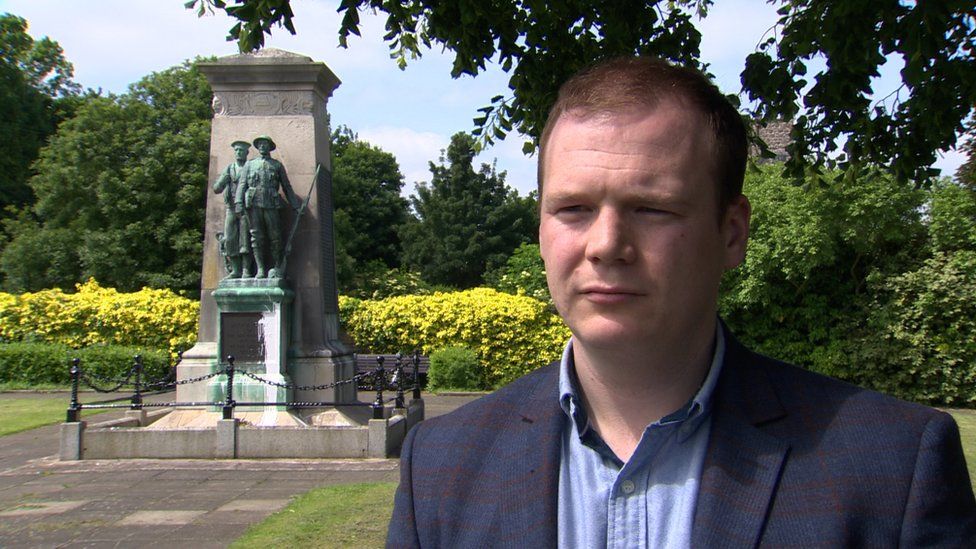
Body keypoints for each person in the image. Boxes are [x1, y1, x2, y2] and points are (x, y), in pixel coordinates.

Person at [386, 57, 976, 547]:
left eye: (653, 209)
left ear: (732, 233)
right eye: (573, 209)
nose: (606, 245)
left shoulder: (895, 470)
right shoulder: (439, 468)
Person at [235, 135, 300, 278]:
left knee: (275, 236)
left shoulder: (276, 165)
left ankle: (277, 266)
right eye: (260, 144)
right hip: (253, 203)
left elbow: (287, 187)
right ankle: (260, 269)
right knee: (255, 237)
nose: (262, 146)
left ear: (270, 147)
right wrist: (238, 202)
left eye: (265, 144)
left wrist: (295, 205)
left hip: (271, 203)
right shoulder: (250, 164)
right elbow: (242, 184)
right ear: (257, 147)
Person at [213, 140, 253, 278]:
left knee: (245, 239)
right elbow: (217, 188)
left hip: (246, 209)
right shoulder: (230, 168)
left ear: (247, 153)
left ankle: (246, 270)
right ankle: (235, 270)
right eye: (236, 150)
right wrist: (220, 182)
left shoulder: (250, 167)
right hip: (231, 208)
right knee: (230, 238)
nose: (238, 153)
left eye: (241, 150)